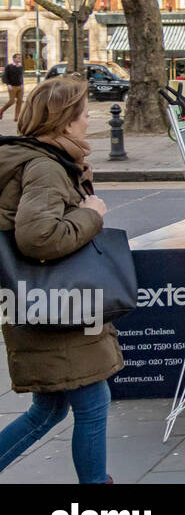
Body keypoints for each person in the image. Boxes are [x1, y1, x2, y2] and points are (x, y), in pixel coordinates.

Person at [0, 75, 115, 483]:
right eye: (84, 115)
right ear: (65, 123)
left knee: (48, 409)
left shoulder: (47, 163)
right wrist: (92, 214)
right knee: (92, 402)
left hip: (45, 305)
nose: (89, 121)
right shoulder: (45, 168)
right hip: (57, 307)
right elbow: (37, 237)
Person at [0, 55, 24, 120]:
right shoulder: (8, 67)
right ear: (14, 58)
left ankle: (17, 116)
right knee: (11, 101)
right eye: (18, 58)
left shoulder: (20, 67)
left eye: (20, 58)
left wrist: (22, 84)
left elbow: (21, 76)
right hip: (12, 86)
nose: (19, 59)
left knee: (20, 101)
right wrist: (8, 84)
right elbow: (4, 76)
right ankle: (1, 111)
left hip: (20, 86)